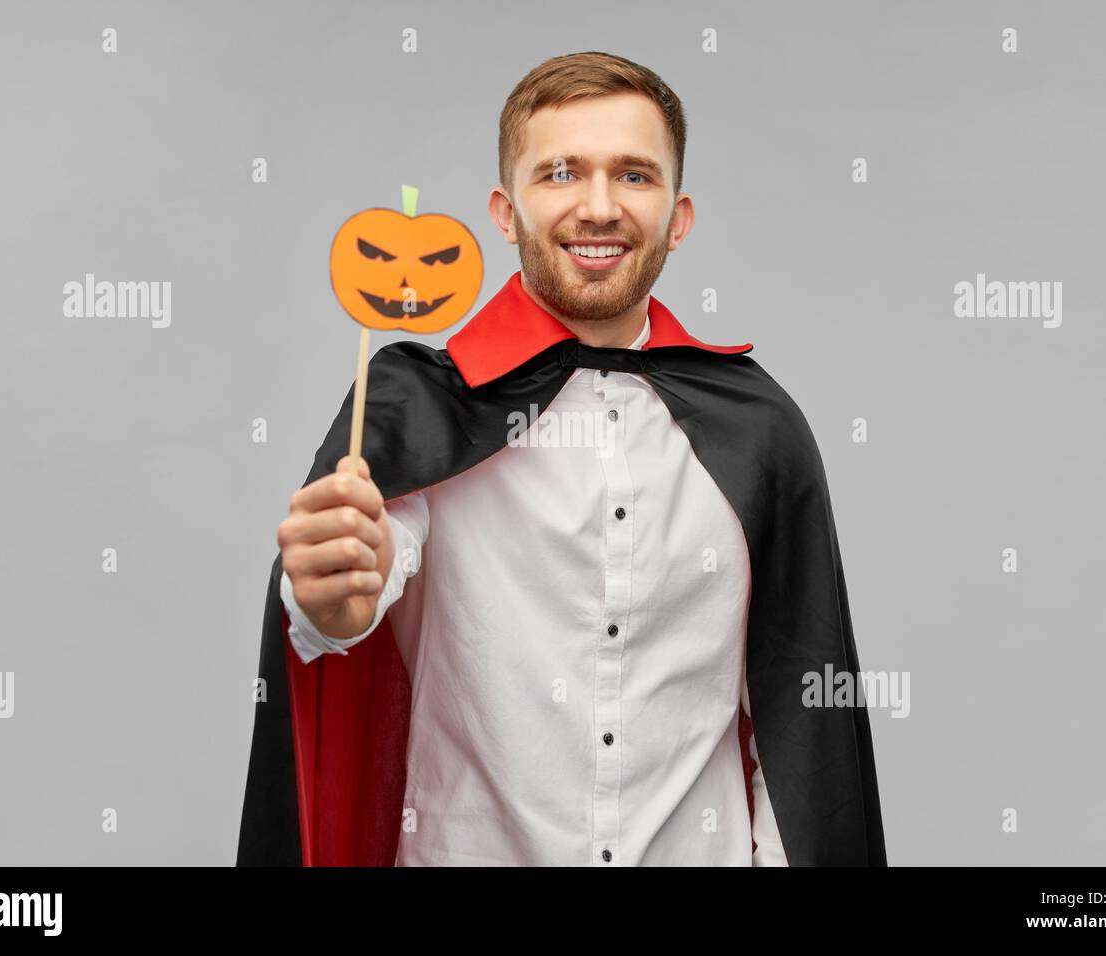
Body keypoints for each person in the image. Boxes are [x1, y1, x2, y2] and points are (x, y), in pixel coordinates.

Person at [238, 51, 886, 867]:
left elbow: (798, 720)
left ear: (678, 218)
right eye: (561, 173)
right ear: (506, 212)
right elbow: (350, 597)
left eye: (635, 176)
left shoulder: (758, 424)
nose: (599, 206)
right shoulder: (419, 402)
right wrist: (331, 593)